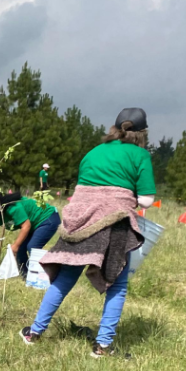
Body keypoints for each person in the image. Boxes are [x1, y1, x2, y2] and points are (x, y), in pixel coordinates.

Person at [21, 108, 156, 357]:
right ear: (142, 133)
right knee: (117, 284)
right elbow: (147, 201)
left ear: (114, 129)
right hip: (114, 224)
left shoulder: (92, 152)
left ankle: (34, 333)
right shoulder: (139, 154)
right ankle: (102, 346)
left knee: (65, 278)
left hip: (80, 223)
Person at [0, 189, 60, 271]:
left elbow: (26, 226)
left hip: (47, 218)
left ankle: (47, 274)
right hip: (33, 224)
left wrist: (15, 245)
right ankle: (26, 276)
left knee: (32, 247)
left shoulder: (13, 207)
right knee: (21, 249)